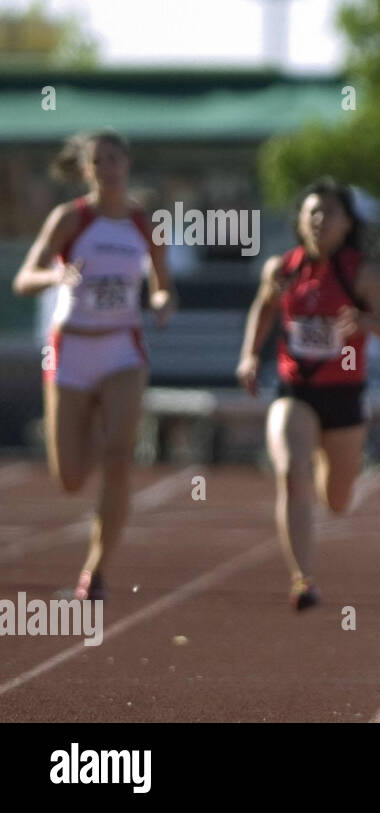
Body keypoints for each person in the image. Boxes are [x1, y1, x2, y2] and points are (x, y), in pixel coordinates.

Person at [12, 129, 176, 601]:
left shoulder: (147, 224)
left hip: (123, 349)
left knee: (120, 457)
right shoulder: (71, 219)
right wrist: (54, 275)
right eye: (98, 161)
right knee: (70, 478)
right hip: (72, 351)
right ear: (86, 170)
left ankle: (96, 570)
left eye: (114, 159)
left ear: (127, 165)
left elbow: (163, 285)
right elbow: (23, 279)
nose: (107, 168)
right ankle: (80, 429)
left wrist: (163, 302)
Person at [236, 178, 380, 610]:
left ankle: (321, 461)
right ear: (299, 220)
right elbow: (264, 308)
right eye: (312, 212)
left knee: (336, 500)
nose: (319, 220)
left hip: (345, 395)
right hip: (295, 389)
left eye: (329, 213)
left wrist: (368, 323)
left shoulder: (361, 273)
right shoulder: (281, 269)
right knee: (291, 473)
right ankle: (303, 578)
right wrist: (249, 357)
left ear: (347, 223)